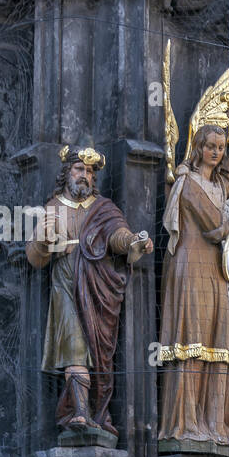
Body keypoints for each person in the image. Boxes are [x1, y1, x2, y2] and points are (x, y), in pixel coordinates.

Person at [25, 144, 151, 436]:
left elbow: (117, 236)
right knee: (75, 348)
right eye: (79, 169)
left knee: (100, 356)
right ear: (67, 173)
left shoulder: (103, 208)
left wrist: (134, 241)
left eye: (90, 172)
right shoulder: (54, 207)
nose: (84, 176)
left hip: (98, 288)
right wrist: (43, 241)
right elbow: (34, 257)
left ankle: (95, 410)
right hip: (67, 284)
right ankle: (79, 412)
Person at [158, 104, 229, 449]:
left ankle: (216, 424)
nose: (217, 152)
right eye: (211, 146)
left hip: (213, 271)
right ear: (198, 148)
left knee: (220, 341)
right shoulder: (188, 183)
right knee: (192, 341)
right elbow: (213, 226)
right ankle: (185, 422)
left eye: (222, 148)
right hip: (191, 267)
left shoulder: (217, 184)